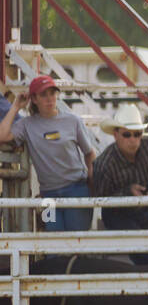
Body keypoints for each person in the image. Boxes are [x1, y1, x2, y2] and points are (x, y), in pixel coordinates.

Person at [0, 75, 97, 231]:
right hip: (48, 196)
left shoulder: (73, 121)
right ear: (34, 99)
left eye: (52, 93)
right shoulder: (26, 125)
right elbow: (2, 136)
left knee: (77, 241)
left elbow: (89, 154)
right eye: (43, 95)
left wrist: (92, 184)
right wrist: (16, 107)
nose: (49, 98)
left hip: (77, 190)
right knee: (50, 240)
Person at [91, 104, 148, 263]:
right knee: (146, 258)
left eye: (137, 134)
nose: (133, 140)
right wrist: (127, 193)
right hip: (118, 214)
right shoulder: (104, 164)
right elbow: (102, 197)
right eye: (127, 134)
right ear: (116, 135)